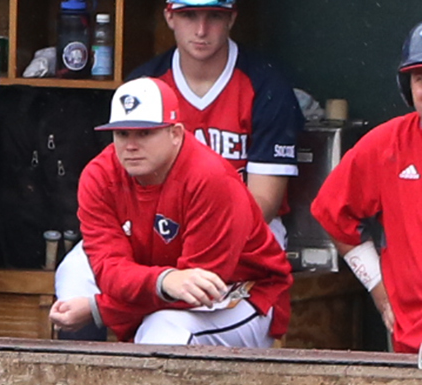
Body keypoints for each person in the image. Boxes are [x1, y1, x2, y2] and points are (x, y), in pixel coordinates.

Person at [49, 77, 291, 348]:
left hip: (241, 294)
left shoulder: (210, 178)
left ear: (175, 134)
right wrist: (161, 281)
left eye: (144, 133)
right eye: (122, 134)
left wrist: (99, 310)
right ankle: (82, 378)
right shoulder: (99, 175)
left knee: (163, 327)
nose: (130, 146)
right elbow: (110, 271)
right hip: (160, 279)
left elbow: (198, 289)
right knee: (73, 273)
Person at [126, 0, 301, 235]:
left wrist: (200, 241)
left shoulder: (267, 86)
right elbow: (126, 189)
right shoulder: (144, 86)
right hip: (159, 229)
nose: (201, 30)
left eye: (215, 16)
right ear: (169, 16)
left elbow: (264, 203)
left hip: (249, 232)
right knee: (74, 270)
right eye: (189, 16)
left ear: (231, 18)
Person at [310, 23, 422, 358]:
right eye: (419, 78)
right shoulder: (387, 145)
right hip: (414, 335)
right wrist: (377, 285)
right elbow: (331, 214)